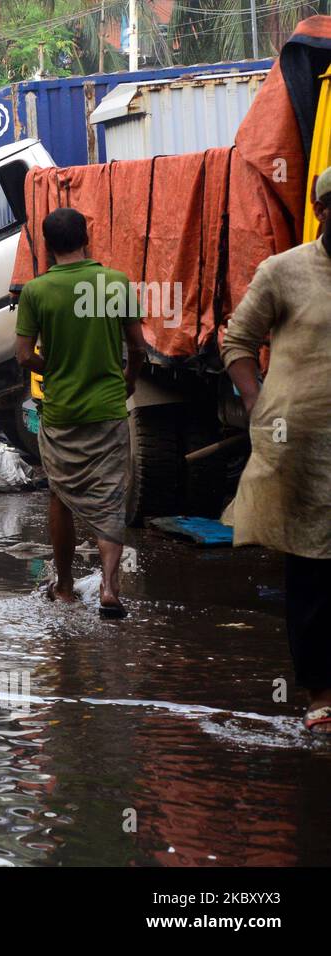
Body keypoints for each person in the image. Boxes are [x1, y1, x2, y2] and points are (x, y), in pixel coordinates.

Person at [222, 166, 331, 735]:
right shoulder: (284, 272)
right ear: (320, 211)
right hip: (303, 452)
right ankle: (318, 695)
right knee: (312, 575)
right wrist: (256, 401)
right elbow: (237, 339)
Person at [14, 207, 147, 618]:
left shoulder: (36, 292)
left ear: (48, 246)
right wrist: (127, 378)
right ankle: (109, 585)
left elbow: (22, 355)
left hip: (61, 413)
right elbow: (139, 348)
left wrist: (52, 367)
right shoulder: (116, 283)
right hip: (107, 408)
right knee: (109, 495)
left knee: (61, 493)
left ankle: (67, 586)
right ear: (87, 237)